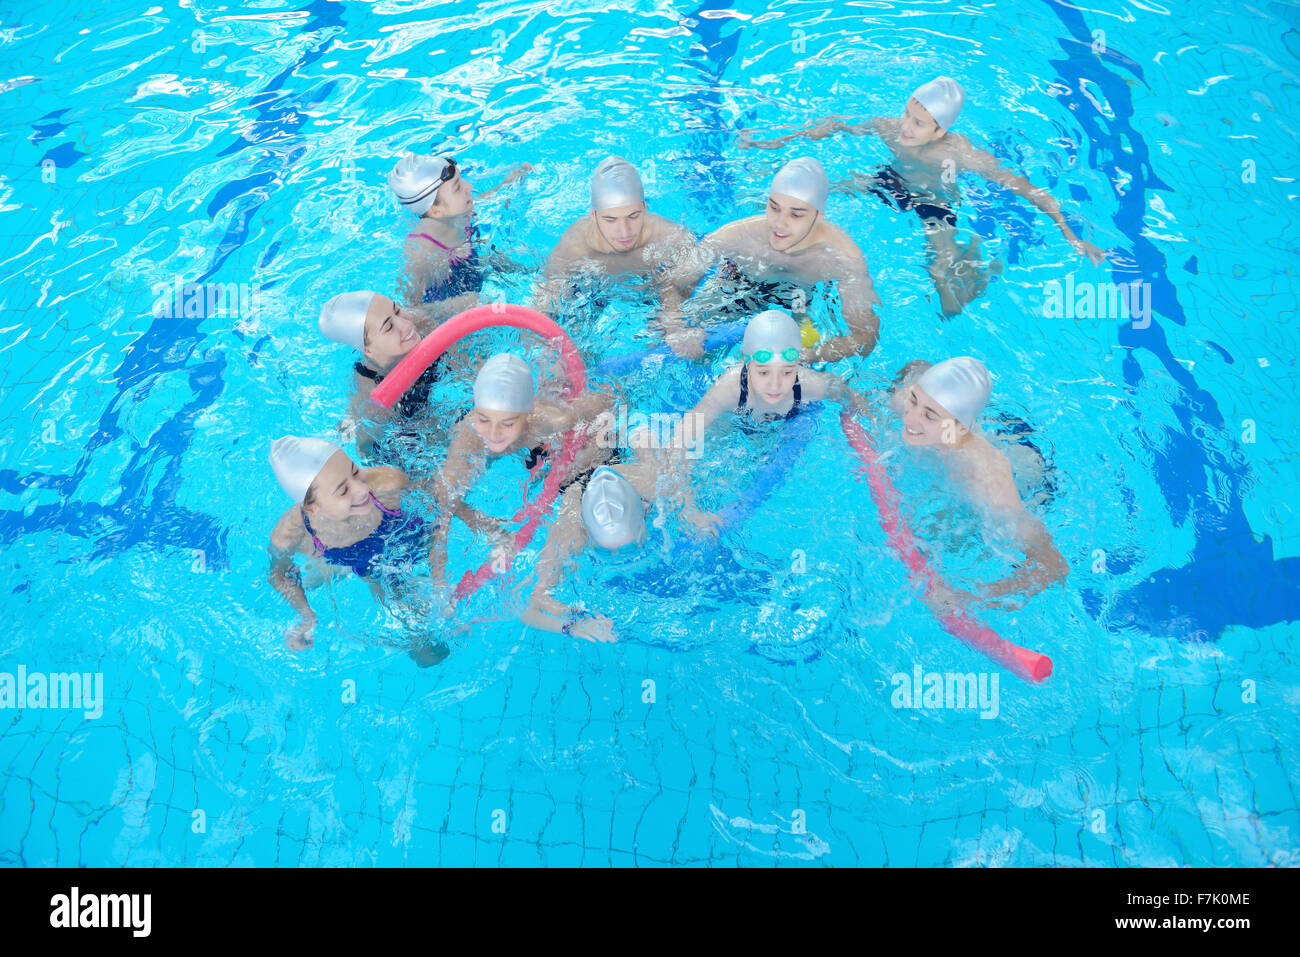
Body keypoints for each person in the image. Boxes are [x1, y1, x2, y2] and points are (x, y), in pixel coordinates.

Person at [739, 76, 1108, 315]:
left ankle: (982, 270)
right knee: (816, 197)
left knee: (944, 284)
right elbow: (834, 126)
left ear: (941, 130)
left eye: (918, 123)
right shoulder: (889, 129)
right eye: (906, 114)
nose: (905, 127)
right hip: (892, 180)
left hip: (935, 203)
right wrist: (774, 140)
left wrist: (1071, 234)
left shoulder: (960, 154)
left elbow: (1025, 188)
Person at [655, 157, 881, 362]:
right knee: (693, 352)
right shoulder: (737, 236)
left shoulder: (842, 258)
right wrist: (675, 326)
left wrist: (814, 355)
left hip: (802, 297)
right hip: (740, 282)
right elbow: (673, 282)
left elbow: (864, 337)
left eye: (796, 214)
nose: (779, 224)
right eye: (774, 208)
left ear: (819, 215)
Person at [886, 356, 1067, 608]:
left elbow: (1053, 566)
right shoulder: (908, 403)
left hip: (1026, 471)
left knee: (958, 539)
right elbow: (913, 368)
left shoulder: (987, 478)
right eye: (914, 401)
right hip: (970, 425)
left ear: (960, 428)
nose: (911, 418)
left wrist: (972, 597)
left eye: (929, 415)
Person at [429, 352, 616, 590]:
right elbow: (443, 509)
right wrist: (438, 581)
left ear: (527, 415)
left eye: (508, 423)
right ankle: (489, 528)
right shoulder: (469, 436)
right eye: (484, 419)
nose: (494, 434)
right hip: (475, 434)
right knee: (440, 488)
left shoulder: (553, 419)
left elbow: (608, 399)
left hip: (543, 436)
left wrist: (587, 448)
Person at [266, 436, 448, 665]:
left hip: (412, 535)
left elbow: (441, 501)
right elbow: (278, 575)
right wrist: (306, 616)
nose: (362, 490)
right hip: (366, 565)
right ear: (311, 508)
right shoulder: (292, 536)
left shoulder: (388, 483)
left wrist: (439, 574)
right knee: (410, 626)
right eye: (343, 491)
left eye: (355, 472)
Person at [518, 459, 711, 643]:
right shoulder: (569, 533)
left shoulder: (658, 485)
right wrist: (573, 623)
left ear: (645, 510)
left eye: (628, 548)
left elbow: (686, 489)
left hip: (619, 459)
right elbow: (528, 606)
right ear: (586, 532)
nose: (620, 559)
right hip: (568, 474)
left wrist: (696, 516)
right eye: (606, 551)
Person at [677, 310, 873, 451]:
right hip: (742, 418)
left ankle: (802, 314)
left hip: (787, 415)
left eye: (787, 373)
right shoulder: (730, 387)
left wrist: (862, 408)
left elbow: (842, 391)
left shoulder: (809, 384)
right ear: (748, 365)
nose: (775, 384)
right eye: (764, 373)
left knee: (807, 330)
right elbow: (683, 435)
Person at [533, 156, 695, 316]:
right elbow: (545, 300)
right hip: (592, 293)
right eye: (610, 220)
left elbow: (687, 286)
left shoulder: (671, 236)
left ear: (644, 208)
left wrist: (671, 319)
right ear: (593, 216)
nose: (624, 232)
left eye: (633, 216)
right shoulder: (575, 246)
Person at [318, 290, 473, 457]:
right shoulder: (371, 397)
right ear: (368, 350)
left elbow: (464, 365)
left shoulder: (419, 323)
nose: (406, 324)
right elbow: (365, 452)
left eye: (397, 309)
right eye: (389, 327)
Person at [388, 152, 532, 308]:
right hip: (450, 306)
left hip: (473, 271)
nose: (469, 187)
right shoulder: (421, 254)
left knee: (506, 263)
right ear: (435, 211)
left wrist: (511, 181)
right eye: (457, 187)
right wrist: (462, 304)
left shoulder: (460, 212)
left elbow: (492, 200)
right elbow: (413, 311)